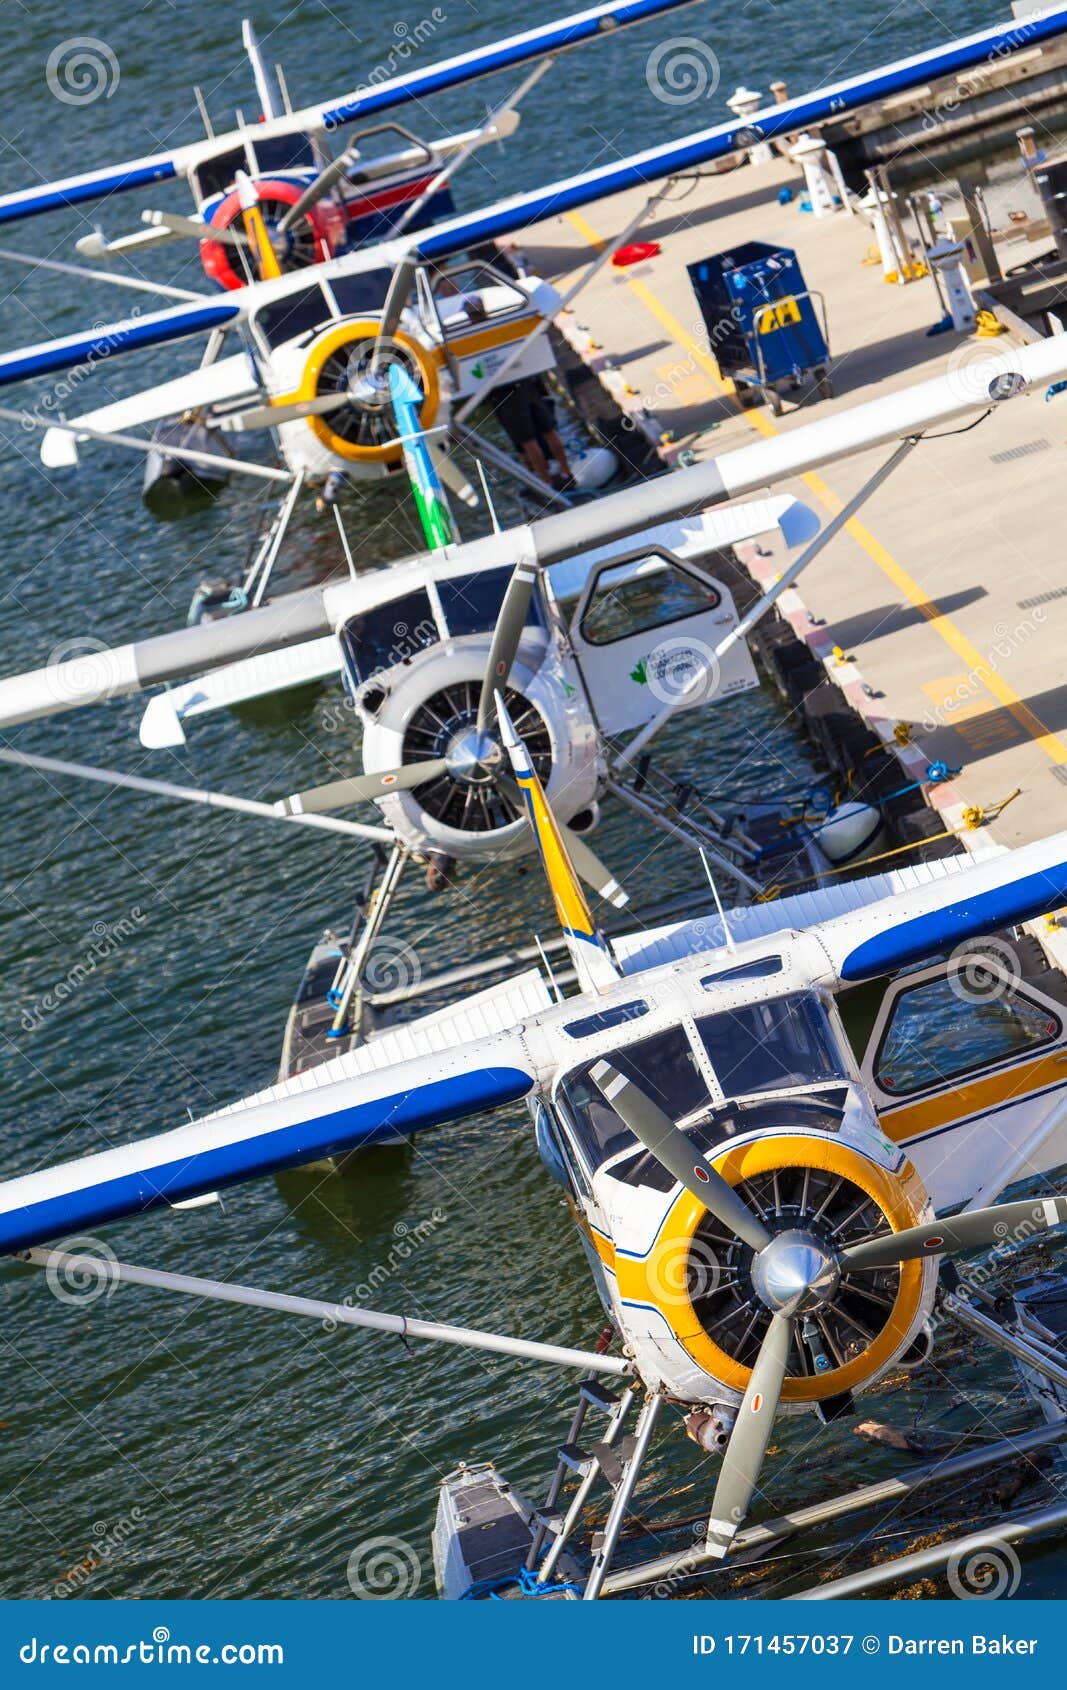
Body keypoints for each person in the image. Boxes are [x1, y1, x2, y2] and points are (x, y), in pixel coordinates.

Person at [492, 374, 573, 491]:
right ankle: (566, 473)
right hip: (527, 380)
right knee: (549, 430)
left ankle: (547, 485)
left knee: (527, 441)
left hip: (504, 391)